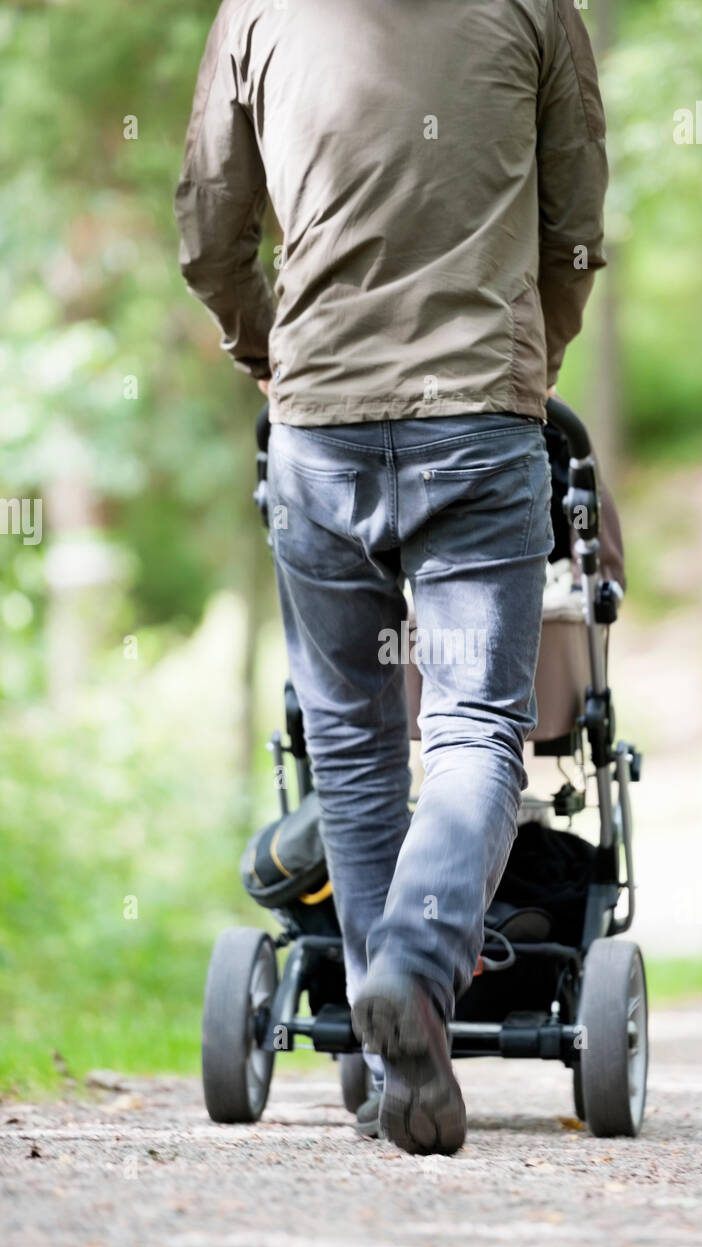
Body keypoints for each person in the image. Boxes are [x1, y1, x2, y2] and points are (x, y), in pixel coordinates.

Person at [175, 0, 607, 1156]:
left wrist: (274, 354)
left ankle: (377, 1057)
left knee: (353, 741)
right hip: (479, 423)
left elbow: (210, 228)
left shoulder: (258, 11)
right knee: (472, 727)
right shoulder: (534, 8)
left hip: (318, 433)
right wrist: (530, 362)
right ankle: (417, 969)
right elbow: (573, 225)